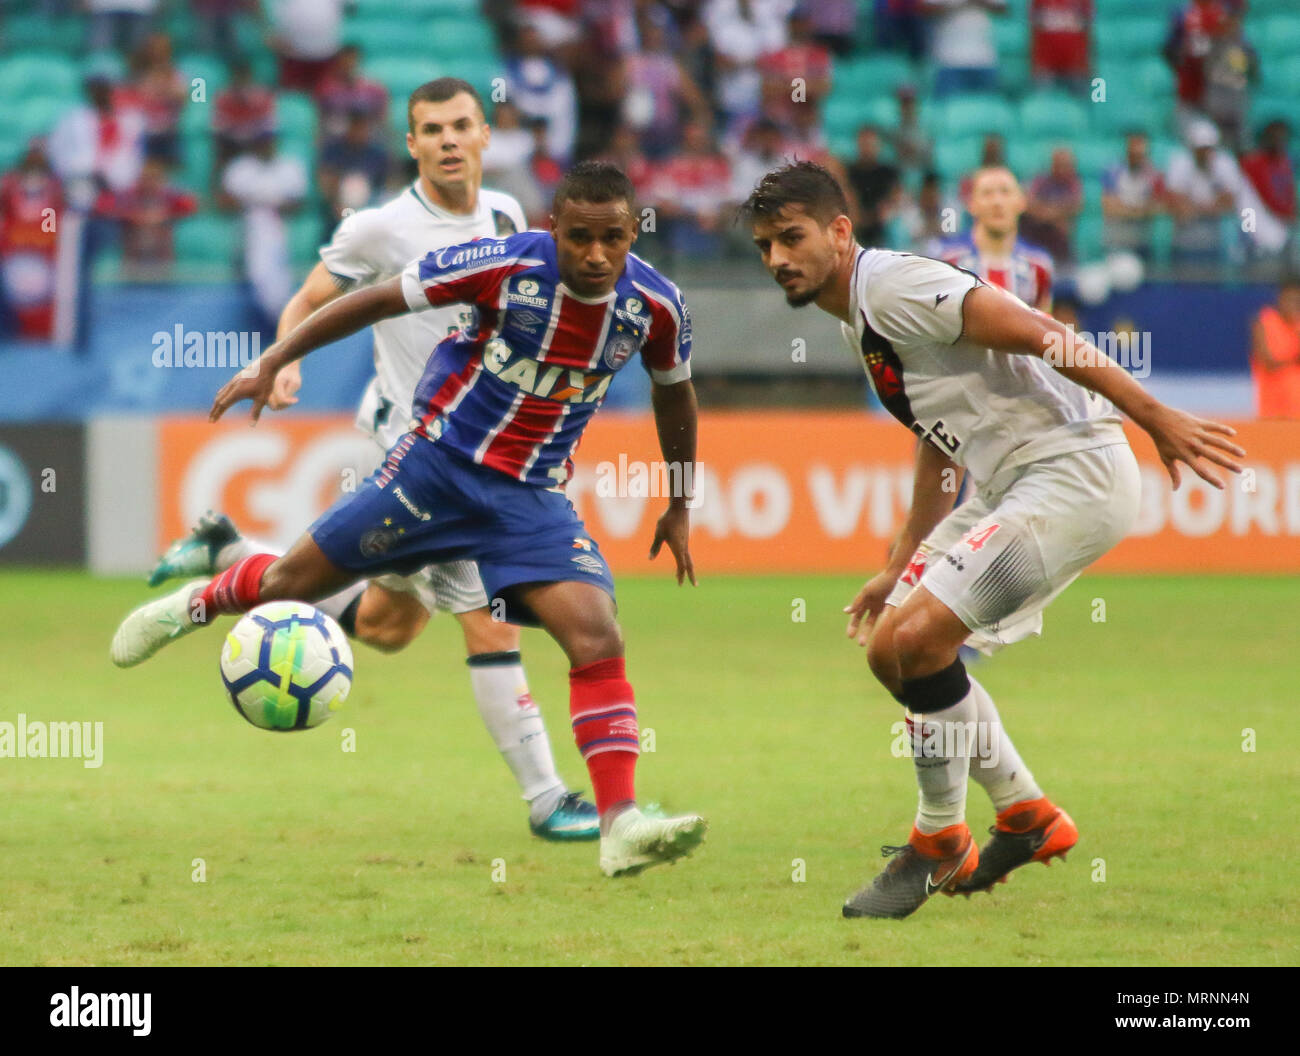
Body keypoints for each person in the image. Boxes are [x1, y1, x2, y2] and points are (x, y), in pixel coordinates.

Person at [112, 161, 709, 878]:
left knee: (596, 633)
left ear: (634, 230)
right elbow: (375, 301)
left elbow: (675, 394)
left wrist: (678, 501)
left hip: (530, 500)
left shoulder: (656, 304)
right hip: (436, 469)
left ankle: (619, 824)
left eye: (612, 237)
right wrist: (274, 357)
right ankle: (194, 604)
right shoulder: (505, 265)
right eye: (578, 236)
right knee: (290, 583)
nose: (594, 254)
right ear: (552, 229)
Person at [741, 160, 1243, 919]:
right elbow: (940, 444)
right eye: (764, 246)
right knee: (891, 649)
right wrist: (901, 562)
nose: (778, 258)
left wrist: (1154, 414)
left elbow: (1046, 334)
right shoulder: (858, 317)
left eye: (792, 237)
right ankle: (1026, 815)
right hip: (1014, 482)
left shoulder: (894, 286)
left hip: (1071, 474)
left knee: (918, 647)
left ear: (840, 232)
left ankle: (938, 838)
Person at [149, 79, 600, 842]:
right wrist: (283, 361)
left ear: (486, 136)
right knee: (492, 618)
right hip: (417, 451)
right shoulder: (380, 228)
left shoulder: (509, 215)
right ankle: (548, 800)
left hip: (477, 446)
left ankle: (232, 551)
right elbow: (309, 296)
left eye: (462, 126)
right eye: (432, 129)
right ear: (412, 144)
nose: (449, 140)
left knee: (391, 627)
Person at [942, 165, 1053, 312]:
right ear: (971, 204)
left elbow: (1041, 327)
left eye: (1005, 192)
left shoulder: (1038, 267)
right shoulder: (949, 263)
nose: (997, 202)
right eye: (987, 193)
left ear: (1021, 201)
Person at [1101, 131, 1166, 264]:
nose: (1138, 158)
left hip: (1142, 239)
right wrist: (1139, 210)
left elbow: (1158, 206)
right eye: (1134, 154)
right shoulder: (1113, 171)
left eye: (1141, 155)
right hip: (1117, 238)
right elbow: (1109, 207)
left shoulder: (1154, 174)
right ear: (1127, 152)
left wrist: (1128, 209)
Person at [1249, 275, 1300, 418]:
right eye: (1290, 299)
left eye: (1297, 301)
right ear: (1280, 298)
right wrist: (1294, 359)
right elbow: (1267, 363)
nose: (1293, 305)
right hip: (1272, 411)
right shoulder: (1264, 321)